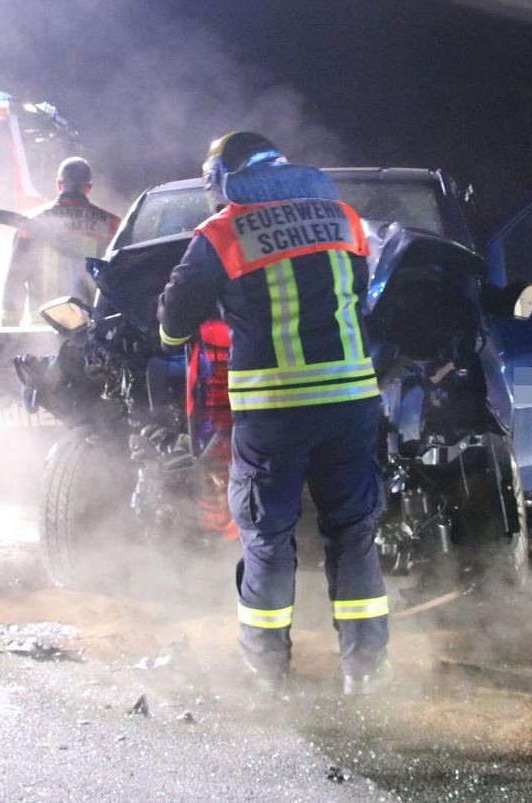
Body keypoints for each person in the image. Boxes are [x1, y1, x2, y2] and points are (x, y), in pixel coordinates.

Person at [157, 131, 390, 696]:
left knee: (267, 538)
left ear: (224, 179)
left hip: (276, 412)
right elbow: (362, 296)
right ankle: (365, 675)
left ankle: (268, 679)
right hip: (352, 403)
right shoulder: (345, 218)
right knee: (354, 534)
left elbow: (173, 322)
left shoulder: (221, 232)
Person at [1, 157, 119, 325]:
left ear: (59, 184)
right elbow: (118, 280)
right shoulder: (111, 224)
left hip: (42, 329)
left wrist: (8, 328)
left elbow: (15, 278)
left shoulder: (31, 222)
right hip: (92, 329)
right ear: (88, 188)